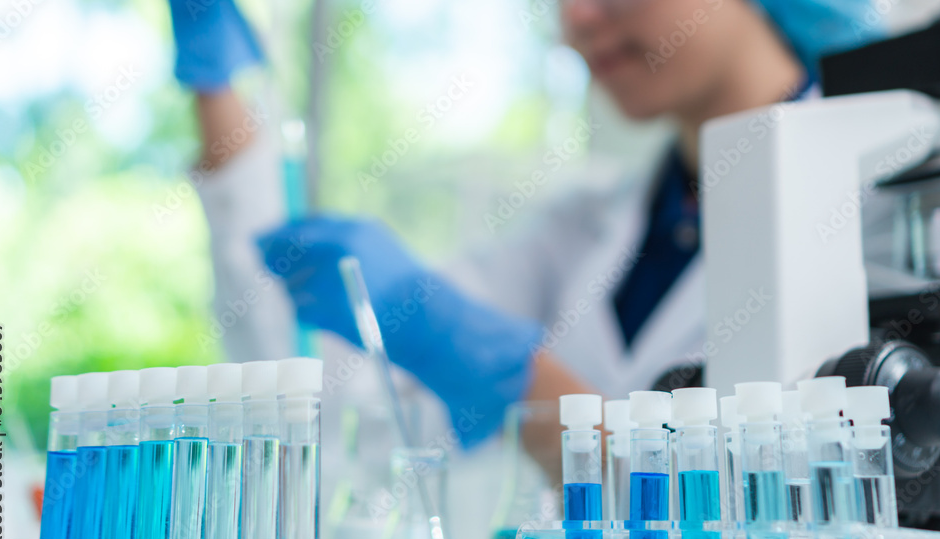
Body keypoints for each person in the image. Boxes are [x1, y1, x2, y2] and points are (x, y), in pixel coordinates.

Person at [169, 0, 885, 446]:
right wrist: (216, 84)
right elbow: (317, 377)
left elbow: (774, 515)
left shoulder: (903, 198)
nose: (575, 17)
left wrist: (516, 376)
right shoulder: (587, 227)